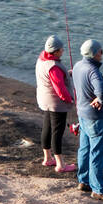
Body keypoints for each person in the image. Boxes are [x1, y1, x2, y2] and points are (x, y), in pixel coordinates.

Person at [72, 39, 103, 201]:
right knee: (97, 153)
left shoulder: (78, 66)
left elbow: (92, 86)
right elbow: (101, 93)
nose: (102, 53)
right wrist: (100, 98)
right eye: (100, 51)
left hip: (82, 115)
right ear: (94, 54)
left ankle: (83, 181)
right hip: (96, 119)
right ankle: (98, 189)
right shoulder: (93, 71)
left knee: (84, 149)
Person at [35, 35, 76, 173]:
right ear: (56, 51)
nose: (63, 51)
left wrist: (67, 74)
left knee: (47, 128)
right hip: (56, 104)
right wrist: (69, 99)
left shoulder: (42, 59)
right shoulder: (54, 66)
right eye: (61, 49)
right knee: (57, 133)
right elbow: (59, 87)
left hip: (44, 100)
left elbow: (51, 78)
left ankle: (47, 158)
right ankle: (61, 165)